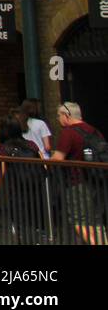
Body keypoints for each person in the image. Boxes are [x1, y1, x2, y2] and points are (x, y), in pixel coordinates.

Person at [51, 101, 105, 244]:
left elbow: (58, 158)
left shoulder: (68, 133)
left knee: (78, 219)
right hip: (97, 182)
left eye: (58, 116)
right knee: (96, 221)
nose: (58, 119)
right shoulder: (94, 131)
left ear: (66, 115)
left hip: (76, 182)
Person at [0, 114, 44, 243]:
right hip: (35, 188)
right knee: (33, 220)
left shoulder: (4, 148)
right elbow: (43, 163)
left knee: (19, 222)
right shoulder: (31, 144)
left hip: (15, 190)